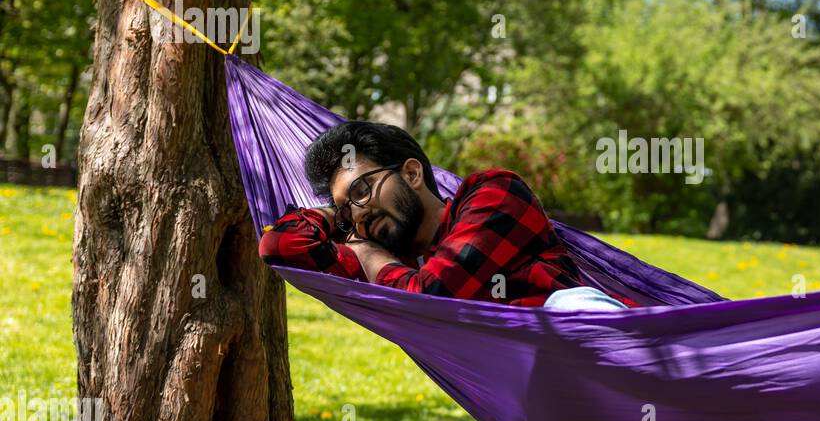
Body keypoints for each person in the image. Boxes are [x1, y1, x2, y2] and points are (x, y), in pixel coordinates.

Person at [257, 120, 637, 311]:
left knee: (572, 307)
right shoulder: (388, 257)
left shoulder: (494, 194)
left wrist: (373, 260)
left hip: (580, 341)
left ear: (411, 173)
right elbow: (278, 245)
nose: (358, 213)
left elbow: (432, 296)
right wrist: (332, 213)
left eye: (362, 190)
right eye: (346, 209)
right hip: (532, 396)